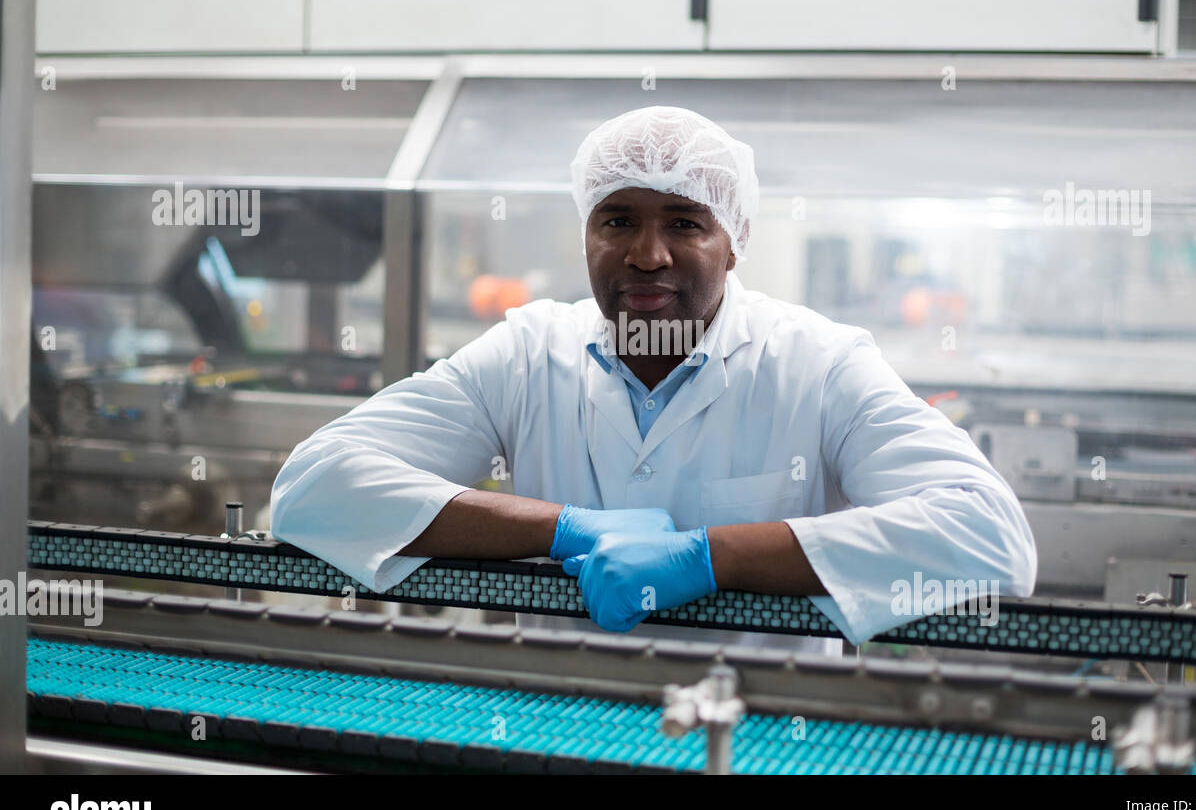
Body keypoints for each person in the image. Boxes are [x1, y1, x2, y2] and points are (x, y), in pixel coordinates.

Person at [269, 105, 1037, 656]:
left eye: (682, 222)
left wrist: (710, 555)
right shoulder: (529, 353)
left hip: (758, 733)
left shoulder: (818, 363)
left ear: (732, 243)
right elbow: (312, 484)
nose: (647, 254)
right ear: (587, 236)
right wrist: (562, 527)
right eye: (618, 221)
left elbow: (989, 532)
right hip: (558, 728)